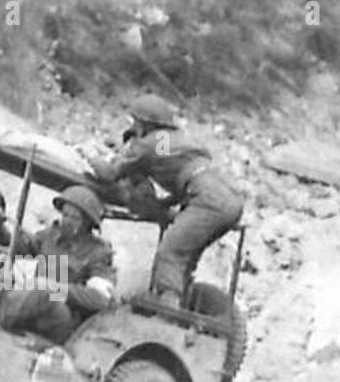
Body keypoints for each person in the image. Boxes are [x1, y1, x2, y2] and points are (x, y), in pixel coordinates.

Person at [87, 93, 243, 307]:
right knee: (184, 257)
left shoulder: (149, 144)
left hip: (208, 200)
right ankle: (180, 304)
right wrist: (161, 204)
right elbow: (175, 168)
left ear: (143, 124)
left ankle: (168, 312)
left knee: (171, 251)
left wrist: (89, 155)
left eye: (136, 124)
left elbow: (110, 172)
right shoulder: (176, 141)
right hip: (225, 197)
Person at [0, 185, 116, 345]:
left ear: (87, 222)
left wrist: (56, 289)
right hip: (34, 303)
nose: (67, 221)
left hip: (64, 316)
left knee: (41, 292)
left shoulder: (99, 252)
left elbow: (99, 298)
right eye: (65, 215)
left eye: (75, 218)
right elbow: (21, 248)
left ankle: (1, 323)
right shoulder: (51, 236)